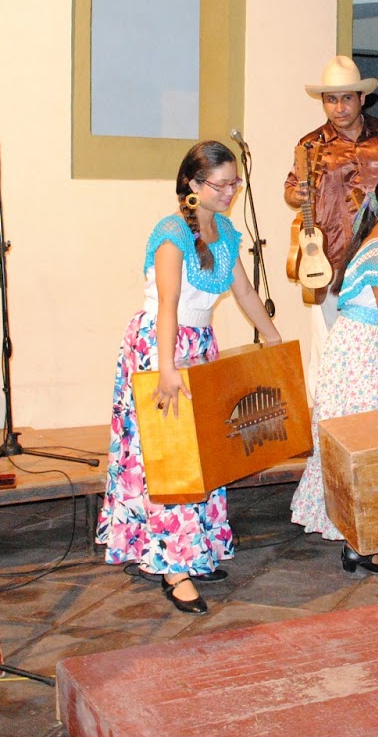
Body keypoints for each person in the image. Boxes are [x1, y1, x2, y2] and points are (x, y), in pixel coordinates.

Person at [96, 141, 281, 614]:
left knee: (202, 455)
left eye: (235, 183)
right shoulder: (171, 233)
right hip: (161, 346)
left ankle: (194, 549)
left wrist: (274, 339)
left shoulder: (226, 232)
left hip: (198, 346)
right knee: (169, 457)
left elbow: (245, 292)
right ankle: (172, 564)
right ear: (193, 185)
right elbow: (168, 305)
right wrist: (166, 368)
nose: (230, 192)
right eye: (221, 185)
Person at [289, 167, 378, 574]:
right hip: (361, 355)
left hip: (372, 348)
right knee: (365, 443)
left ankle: (375, 532)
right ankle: (358, 542)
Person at [283, 54, 378, 311]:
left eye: (347, 98)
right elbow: (290, 189)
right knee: (330, 333)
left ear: (362, 98)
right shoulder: (310, 144)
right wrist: (298, 195)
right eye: (331, 100)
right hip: (330, 258)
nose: (339, 108)